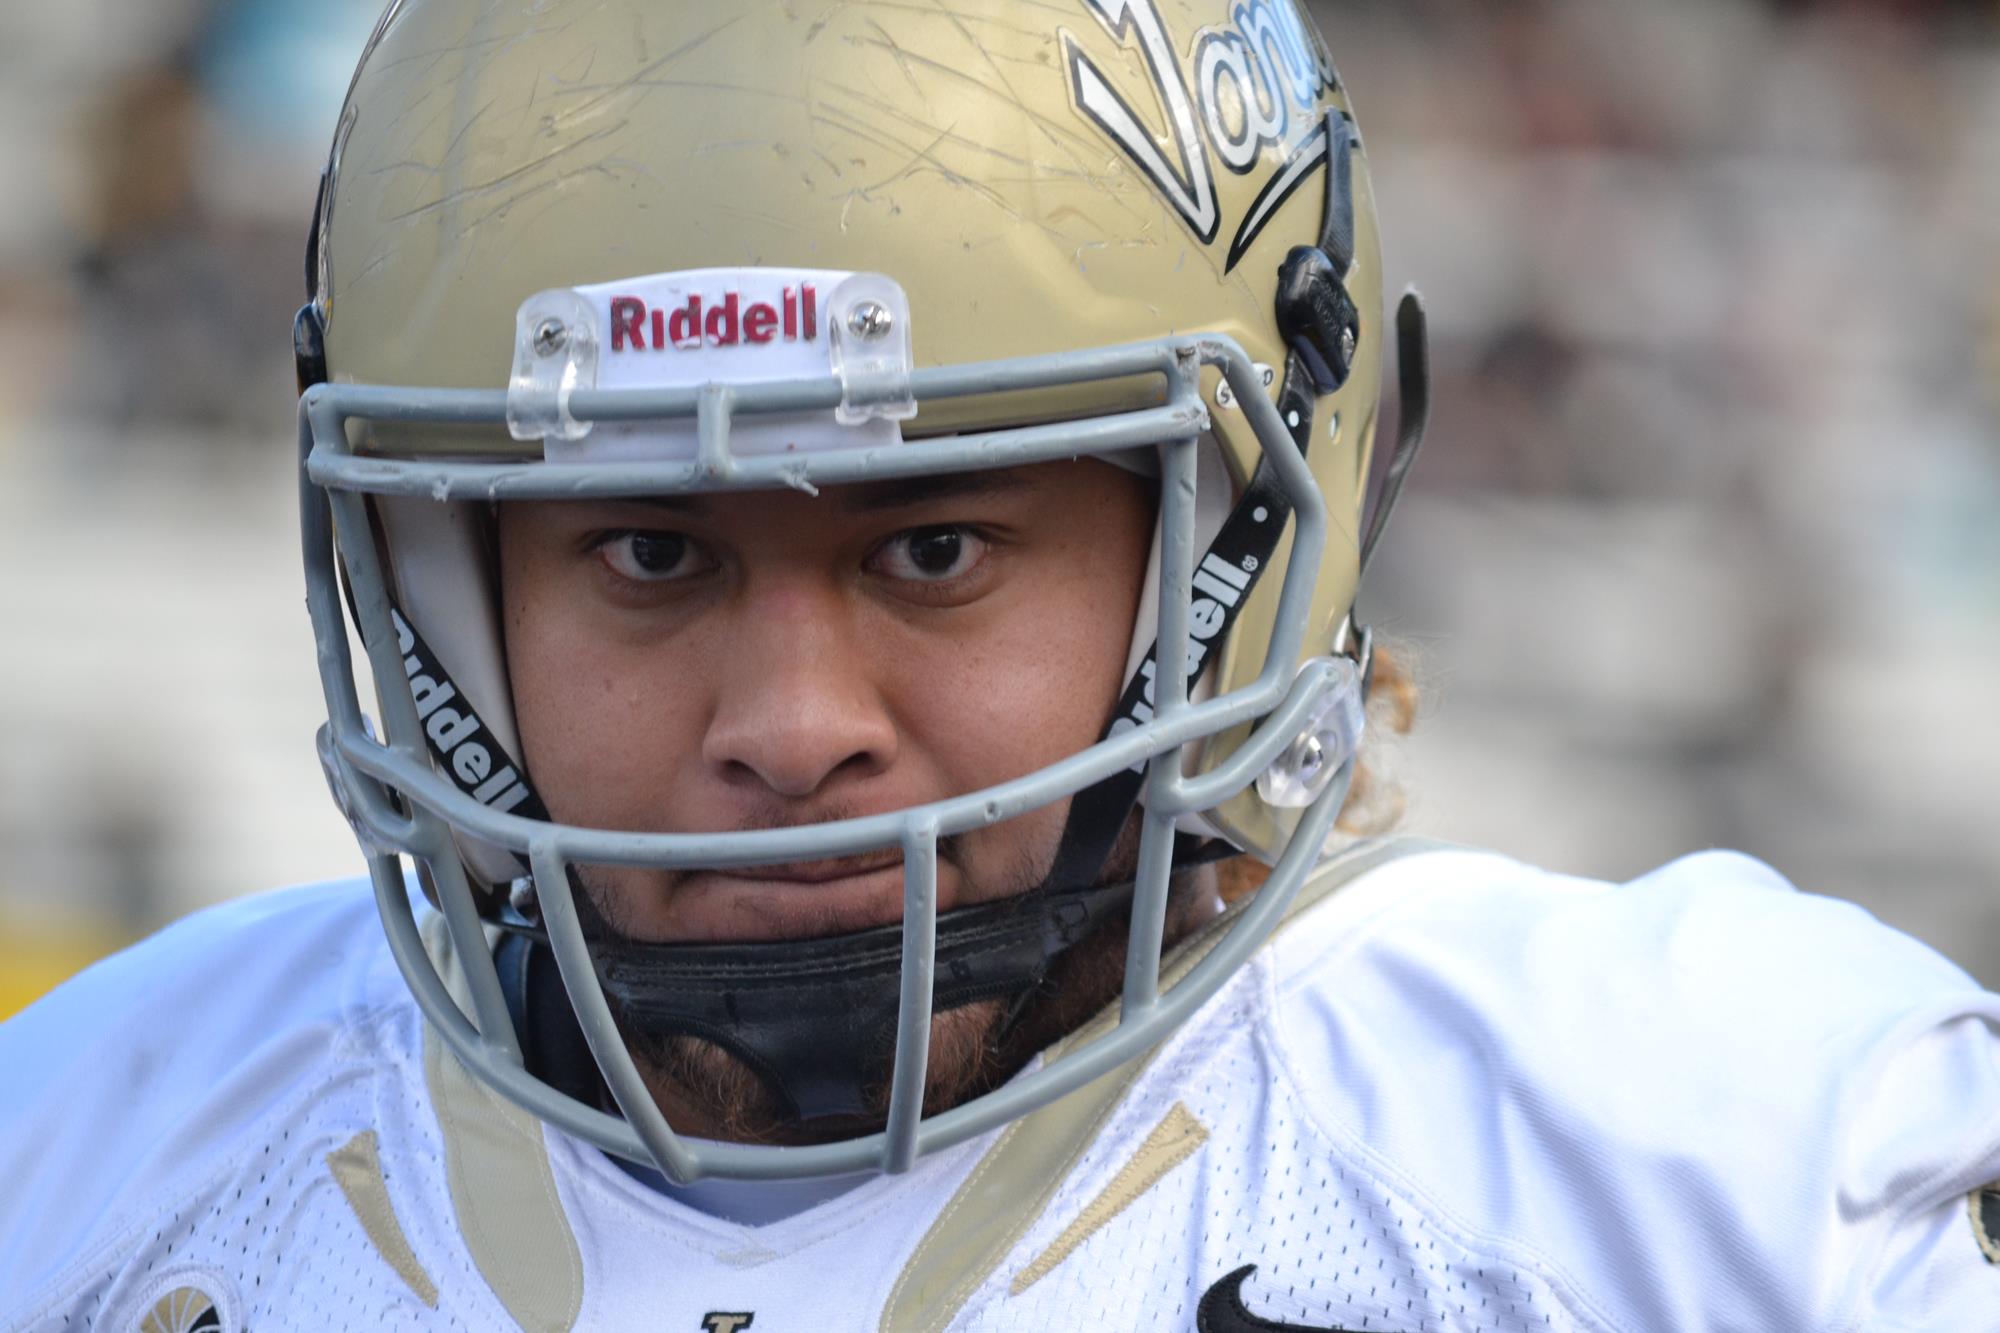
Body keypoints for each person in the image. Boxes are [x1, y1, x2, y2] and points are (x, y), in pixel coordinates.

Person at [5, 2, 1999, 1329]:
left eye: (933, 546)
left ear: (1221, 543)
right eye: (648, 550)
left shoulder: (1710, 1162)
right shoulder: (94, 1152)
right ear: (437, 590)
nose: (791, 730)